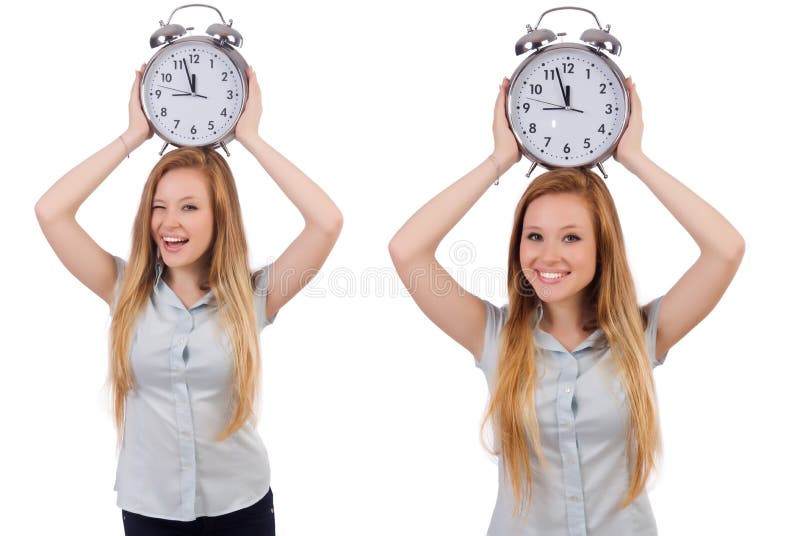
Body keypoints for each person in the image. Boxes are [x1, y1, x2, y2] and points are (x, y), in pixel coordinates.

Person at [388, 76, 744, 535]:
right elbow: (407, 251)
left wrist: (634, 158)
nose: (548, 256)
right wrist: (500, 160)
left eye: (571, 237)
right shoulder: (495, 336)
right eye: (534, 236)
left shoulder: (641, 335)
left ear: (602, 247)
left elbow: (726, 250)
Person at [34, 65, 343, 535]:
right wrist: (133, 135)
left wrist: (251, 137)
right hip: (149, 511)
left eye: (189, 207)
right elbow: (51, 212)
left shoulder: (253, 297)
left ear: (221, 218)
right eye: (159, 206)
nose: (168, 222)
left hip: (241, 509)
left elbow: (326, 222)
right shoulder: (123, 289)